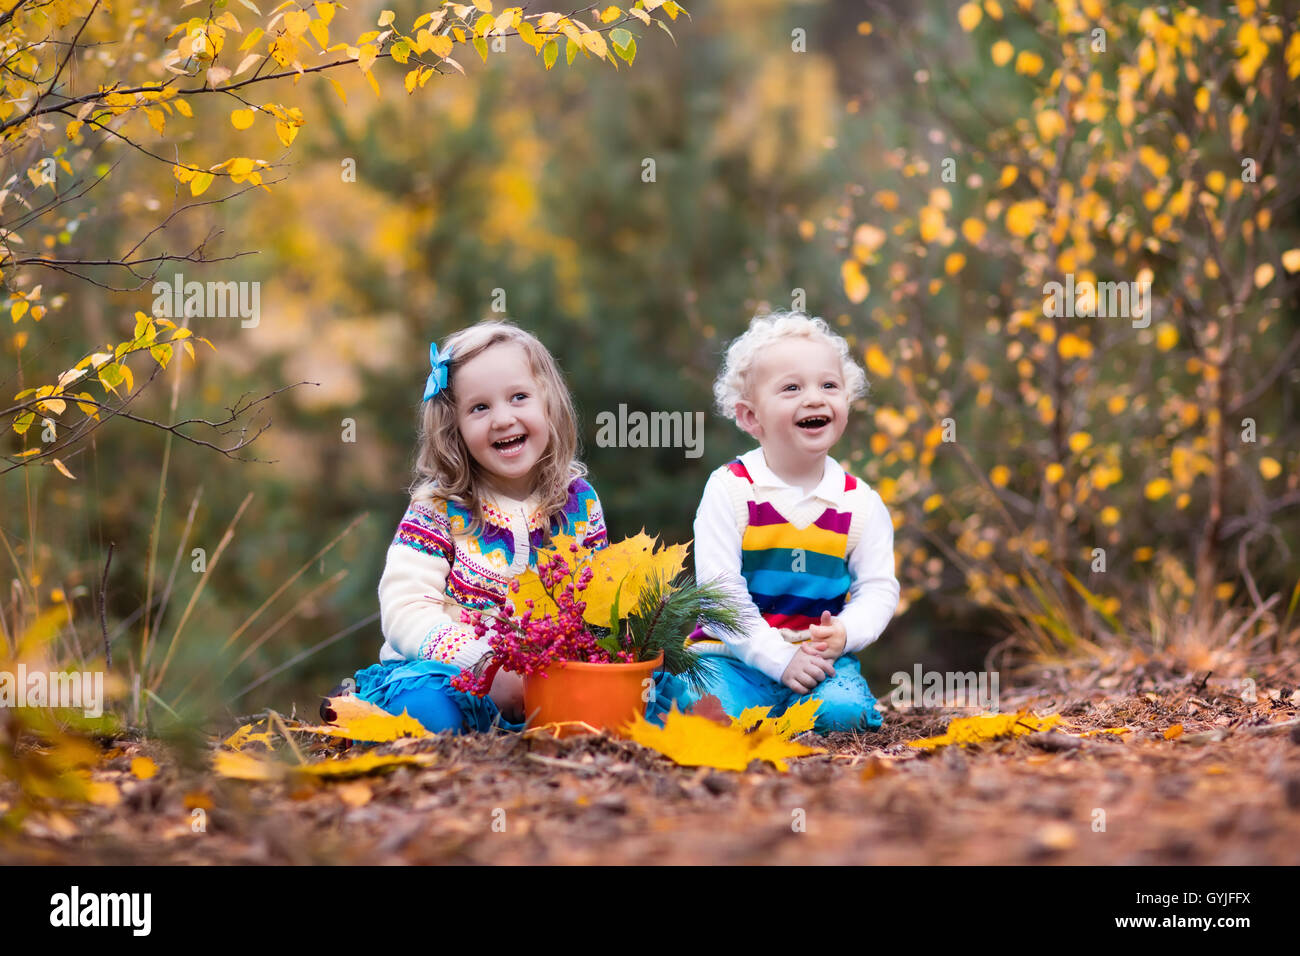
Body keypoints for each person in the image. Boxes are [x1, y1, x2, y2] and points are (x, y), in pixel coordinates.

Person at [336, 320, 610, 733]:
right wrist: (483, 663)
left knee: (650, 697)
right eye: (479, 408)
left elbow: (602, 600)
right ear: (455, 429)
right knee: (427, 713)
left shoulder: (578, 501)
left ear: (548, 405)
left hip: (552, 679)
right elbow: (405, 608)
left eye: (519, 397)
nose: (502, 419)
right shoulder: (440, 509)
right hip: (452, 677)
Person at [686, 311, 900, 733]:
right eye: (791, 388)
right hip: (732, 660)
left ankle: (792, 715)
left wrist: (846, 632)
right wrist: (779, 659)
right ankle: (757, 714)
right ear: (750, 417)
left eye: (829, 385)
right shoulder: (732, 489)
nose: (815, 398)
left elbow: (878, 587)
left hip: (820, 664)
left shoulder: (860, 504)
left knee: (846, 715)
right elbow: (720, 593)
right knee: (705, 710)